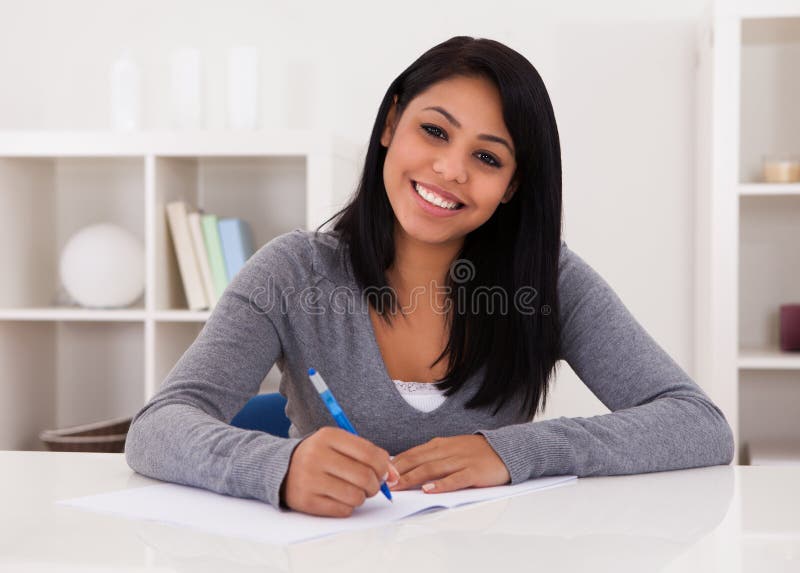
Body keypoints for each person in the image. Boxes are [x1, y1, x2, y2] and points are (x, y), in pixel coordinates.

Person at [125, 36, 734, 518]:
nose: (450, 170)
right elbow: (158, 428)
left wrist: (512, 450)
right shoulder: (291, 273)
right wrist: (279, 469)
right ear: (391, 123)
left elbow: (699, 425)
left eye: (487, 157)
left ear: (512, 186)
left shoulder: (549, 282)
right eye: (435, 131)